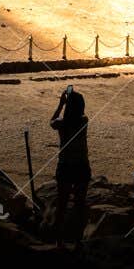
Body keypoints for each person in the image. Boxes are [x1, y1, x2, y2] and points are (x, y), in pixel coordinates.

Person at [50, 86, 91, 245]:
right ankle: (78, 240)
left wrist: (61, 104)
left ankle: (58, 241)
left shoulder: (61, 123)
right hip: (81, 166)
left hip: (66, 166)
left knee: (62, 204)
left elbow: (51, 122)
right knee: (79, 204)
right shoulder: (84, 121)